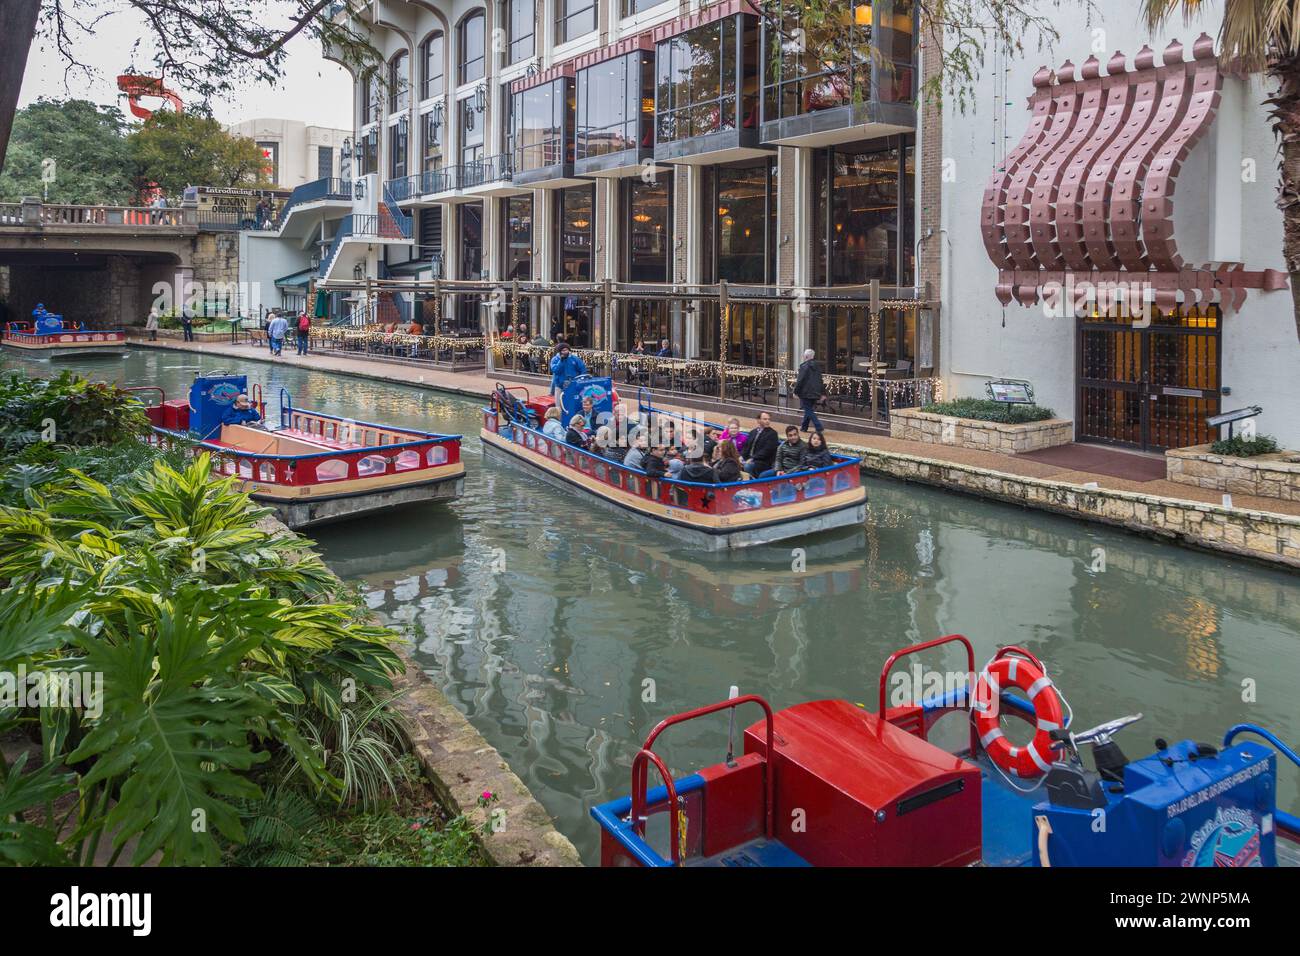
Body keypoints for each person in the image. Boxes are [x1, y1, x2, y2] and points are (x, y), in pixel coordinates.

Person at [793, 348, 826, 434]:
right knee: (808, 409)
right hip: (815, 392)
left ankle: (818, 426)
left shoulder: (804, 366)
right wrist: (823, 393)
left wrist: (795, 391)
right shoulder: (817, 366)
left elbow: (800, 380)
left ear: (806, 356)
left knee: (808, 410)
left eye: (804, 355)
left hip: (806, 392)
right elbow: (820, 380)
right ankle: (804, 427)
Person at [742, 412, 779, 478]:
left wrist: (752, 458)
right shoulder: (753, 432)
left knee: (748, 466)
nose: (767, 421)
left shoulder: (773, 434)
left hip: (762, 462)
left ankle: (753, 483)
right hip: (749, 459)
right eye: (765, 419)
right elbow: (746, 446)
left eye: (768, 419)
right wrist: (741, 456)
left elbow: (766, 451)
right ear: (758, 420)